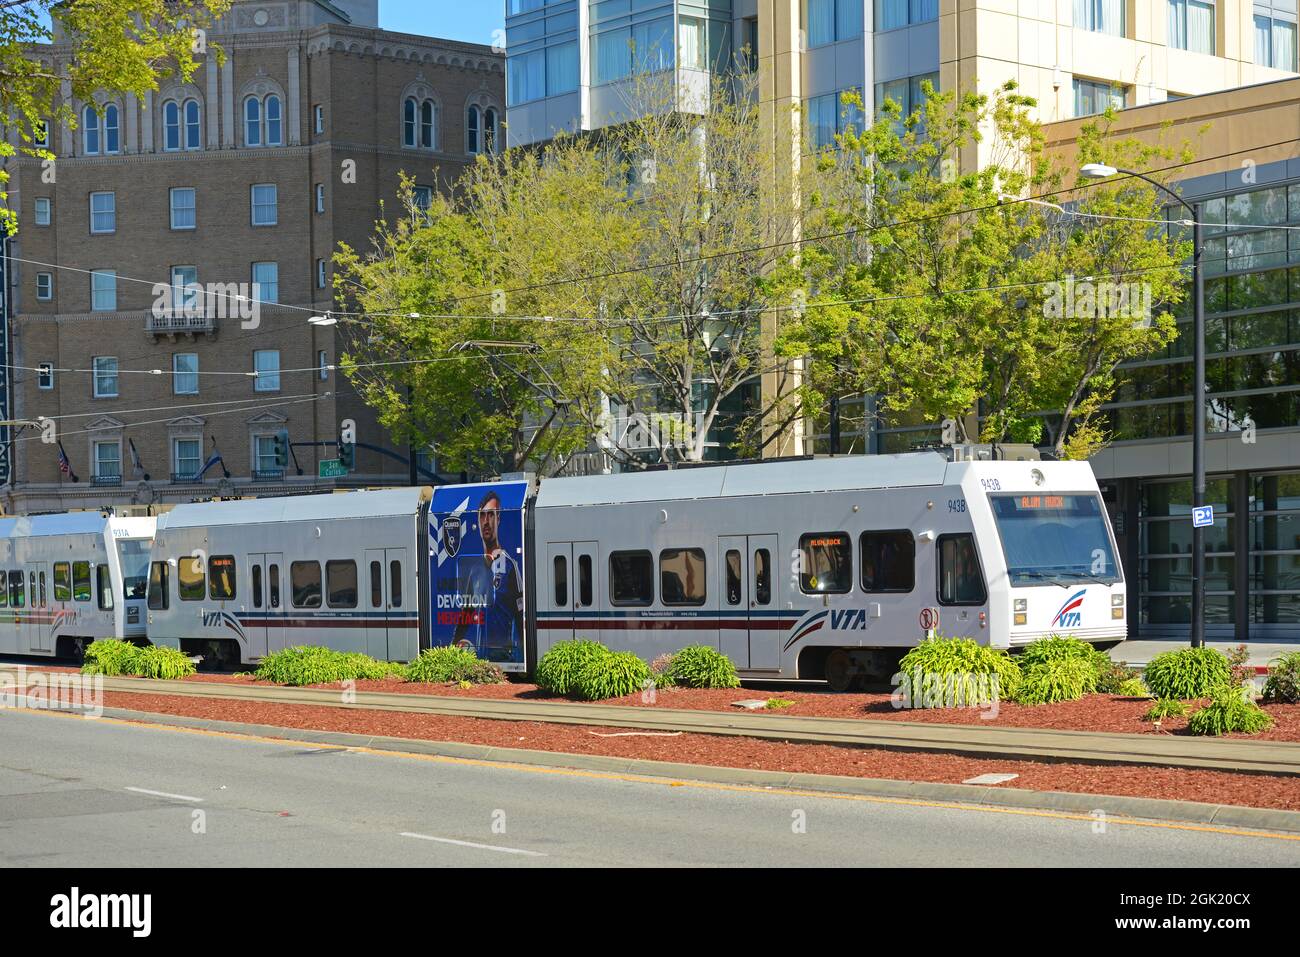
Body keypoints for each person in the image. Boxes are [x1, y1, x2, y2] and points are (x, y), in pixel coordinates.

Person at [452, 489, 524, 661]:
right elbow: (466, 614)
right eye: (482, 516)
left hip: (502, 656)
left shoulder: (510, 566)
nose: (486, 521)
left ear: (498, 519)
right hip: (479, 657)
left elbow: (520, 618)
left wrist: (523, 657)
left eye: (491, 515)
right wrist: (451, 650)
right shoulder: (474, 569)